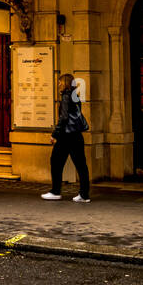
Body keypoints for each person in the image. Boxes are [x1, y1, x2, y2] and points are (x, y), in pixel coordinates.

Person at [41, 72, 91, 203]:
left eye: (59, 82)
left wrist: (54, 135)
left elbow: (63, 118)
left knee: (56, 162)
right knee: (81, 165)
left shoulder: (66, 97)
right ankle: (84, 195)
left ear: (64, 83)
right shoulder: (76, 97)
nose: (58, 84)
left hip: (66, 136)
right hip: (77, 136)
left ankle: (55, 191)